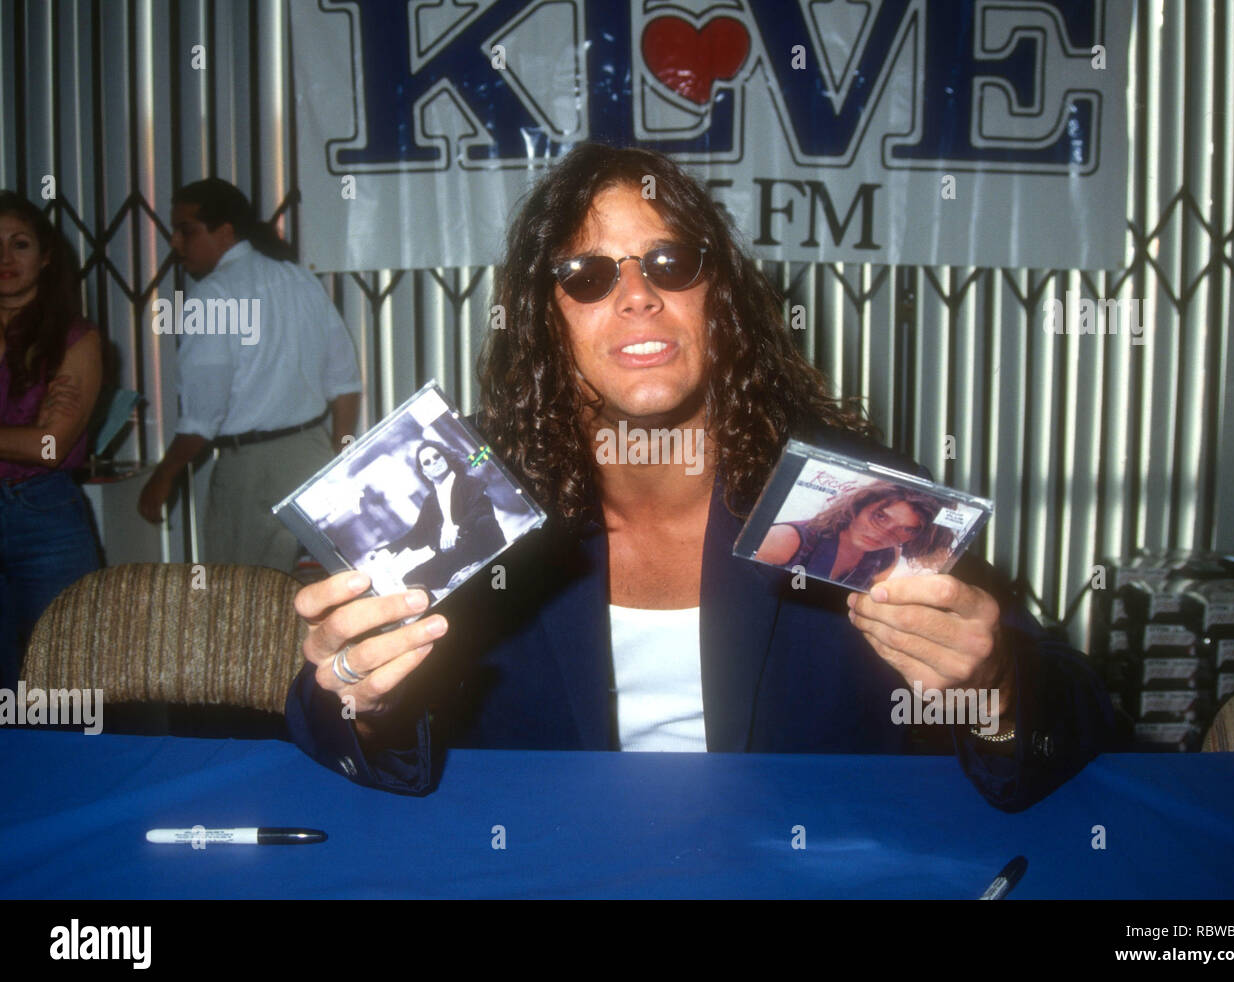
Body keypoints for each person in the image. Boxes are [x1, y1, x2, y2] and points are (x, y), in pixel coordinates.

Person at [284, 144, 1114, 810]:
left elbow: (1078, 719)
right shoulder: (472, 500)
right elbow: (336, 727)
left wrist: (995, 686)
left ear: (719, 298)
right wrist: (366, 692)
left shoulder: (850, 495)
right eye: (588, 275)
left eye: (671, 261)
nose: (638, 294)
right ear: (545, 320)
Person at [138, 179, 362, 571]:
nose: (175, 243)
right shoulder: (298, 278)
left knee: (242, 604)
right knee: (318, 592)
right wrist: (338, 456)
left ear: (225, 232)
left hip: (251, 471)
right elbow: (345, 383)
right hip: (313, 457)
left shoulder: (214, 295)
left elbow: (201, 419)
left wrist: (162, 478)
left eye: (186, 231)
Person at [0, 192, 102, 690]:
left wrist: (35, 437)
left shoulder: (74, 338)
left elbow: (49, 447)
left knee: (57, 681)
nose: (4, 258)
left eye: (19, 244)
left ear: (44, 257)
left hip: (42, 518)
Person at [367, 440, 505, 594]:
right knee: (411, 580)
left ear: (445, 457)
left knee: (486, 522)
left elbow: (481, 509)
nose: (434, 462)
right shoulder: (430, 501)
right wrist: (385, 550)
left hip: (476, 547)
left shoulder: (469, 482)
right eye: (427, 462)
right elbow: (417, 534)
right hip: (450, 558)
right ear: (425, 472)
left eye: (436, 456)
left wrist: (457, 528)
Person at [755, 483, 952, 587]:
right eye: (880, 516)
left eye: (907, 529)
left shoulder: (887, 555)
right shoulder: (786, 539)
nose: (883, 534)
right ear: (858, 506)